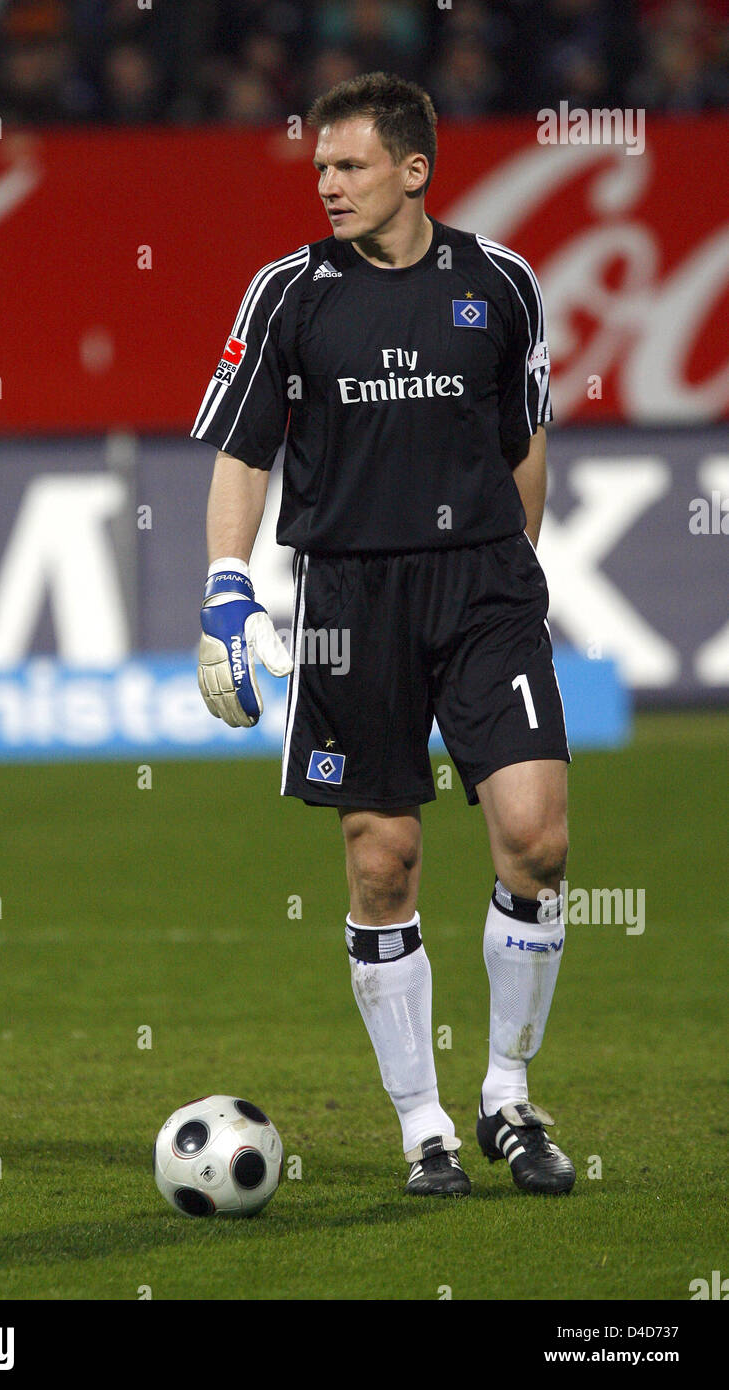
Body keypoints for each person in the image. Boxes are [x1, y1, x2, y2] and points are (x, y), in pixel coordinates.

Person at [190, 71, 575, 1198]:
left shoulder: (497, 285)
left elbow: (523, 441)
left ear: (414, 170)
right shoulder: (287, 294)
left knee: (536, 839)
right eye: (318, 168)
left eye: (348, 165)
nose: (327, 185)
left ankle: (506, 1093)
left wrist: (519, 581)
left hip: (484, 589)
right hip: (350, 603)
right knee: (381, 856)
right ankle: (423, 1125)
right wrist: (226, 584)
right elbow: (241, 455)